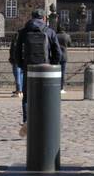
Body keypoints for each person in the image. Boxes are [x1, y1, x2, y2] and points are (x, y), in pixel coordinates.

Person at [11, 9, 63, 137]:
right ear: (44, 18)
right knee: (45, 96)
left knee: (27, 97)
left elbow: (17, 52)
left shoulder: (23, 32)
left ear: (32, 17)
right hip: (45, 69)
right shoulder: (49, 32)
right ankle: (44, 122)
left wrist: (22, 65)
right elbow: (58, 53)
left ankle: (27, 121)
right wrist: (52, 66)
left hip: (29, 68)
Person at [55, 26, 72, 95]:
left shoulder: (55, 35)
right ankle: (61, 88)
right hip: (64, 56)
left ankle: (55, 86)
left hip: (56, 55)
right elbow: (70, 44)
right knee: (62, 73)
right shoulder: (67, 36)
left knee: (55, 72)